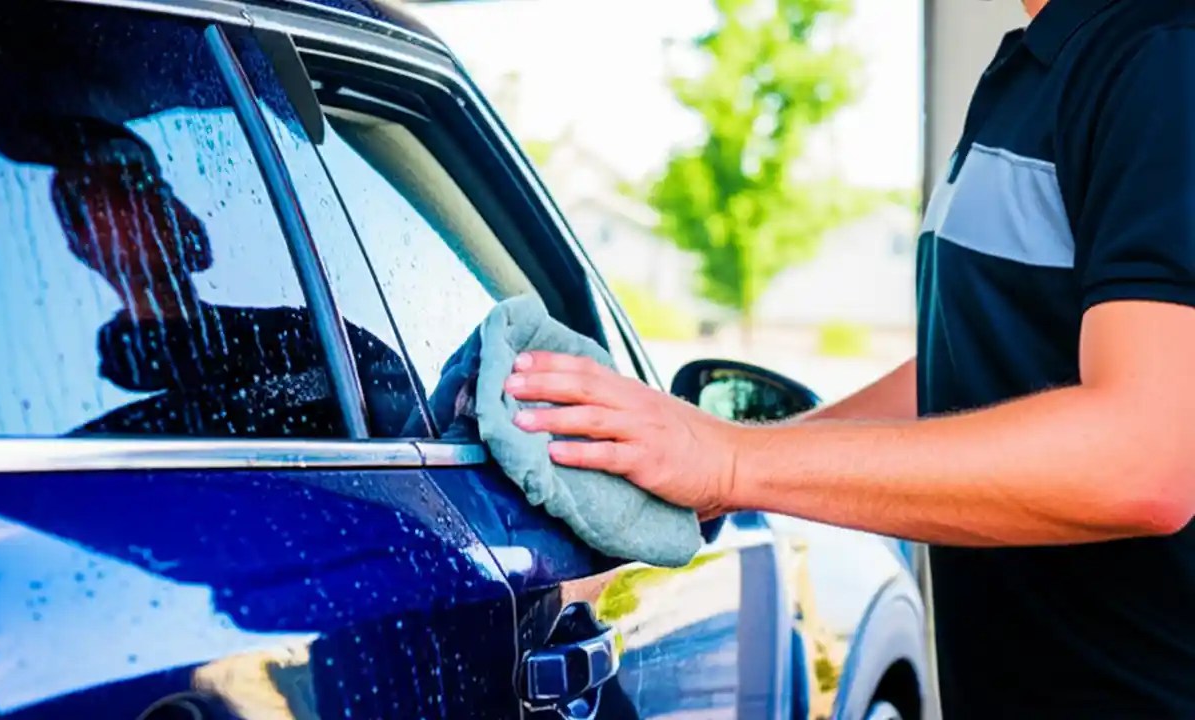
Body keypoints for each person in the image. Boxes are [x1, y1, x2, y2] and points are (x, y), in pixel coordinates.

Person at [504, 0, 1195, 717]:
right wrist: (727, 470)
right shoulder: (1034, 70)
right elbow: (966, 369)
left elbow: (1145, 457)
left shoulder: (1161, 57)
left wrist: (738, 460)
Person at [48, 118, 420, 438]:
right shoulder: (87, 418)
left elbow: (414, 423)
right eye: (118, 189)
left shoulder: (312, 337)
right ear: (80, 242)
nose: (150, 198)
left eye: (152, 181)